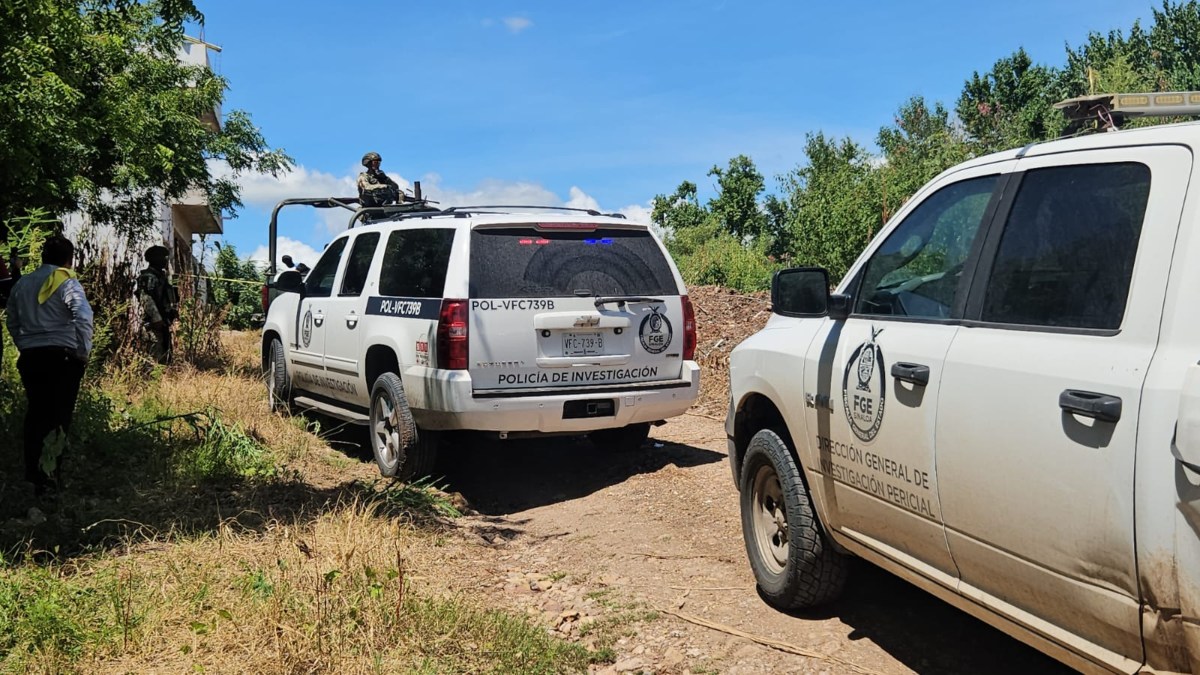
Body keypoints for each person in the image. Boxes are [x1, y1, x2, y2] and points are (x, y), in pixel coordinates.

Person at [5, 235, 93, 497]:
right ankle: (50, 478)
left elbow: (11, 319)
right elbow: (83, 316)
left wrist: (24, 344)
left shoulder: (23, 284)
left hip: (31, 357)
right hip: (61, 358)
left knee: (35, 415)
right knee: (58, 418)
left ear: (43, 257)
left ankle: (32, 475)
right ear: (69, 259)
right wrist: (83, 352)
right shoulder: (65, 281)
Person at [137, 245, 179, 364]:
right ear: (156, 259)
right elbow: (146, 298)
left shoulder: (161, 277)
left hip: (163, 323)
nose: (166, 260)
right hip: (153, 325)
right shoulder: (148, 277)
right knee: (153, 359)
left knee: (165, 358)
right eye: (164, 257)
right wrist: (157, 319)